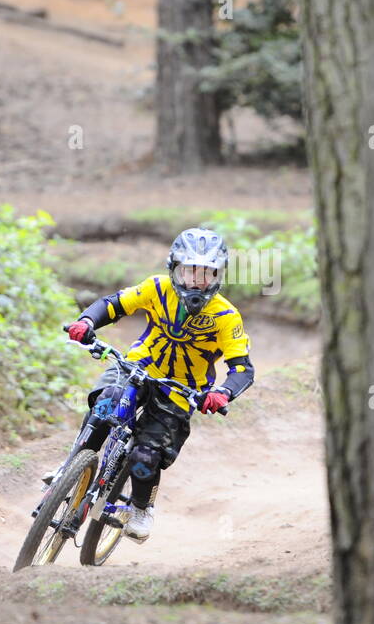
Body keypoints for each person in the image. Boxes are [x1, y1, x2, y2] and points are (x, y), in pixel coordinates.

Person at [50, 228, 255, 542]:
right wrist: (87, 322)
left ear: (218, 276)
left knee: (145, 456)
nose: (196, 281)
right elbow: (114, 304)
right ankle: (72, 469)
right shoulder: (156, 288)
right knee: (106, 404)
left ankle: (142, 507)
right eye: (189, 271)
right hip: (139, 365)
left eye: (206, 274)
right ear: (174, 268)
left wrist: (222, 393)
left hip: (183, 388)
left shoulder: (227, 316)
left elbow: (242, 368)